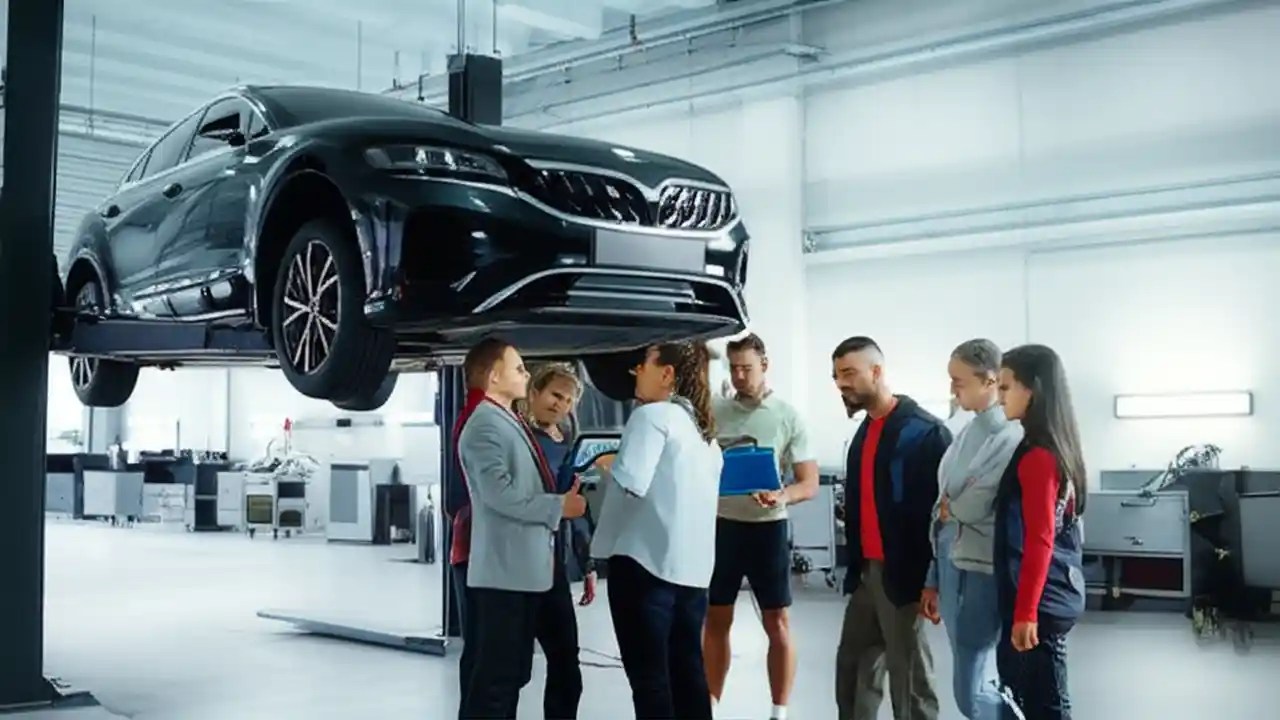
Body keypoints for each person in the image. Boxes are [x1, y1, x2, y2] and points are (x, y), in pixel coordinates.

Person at [455, 338, 588, 720]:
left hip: (527, 571)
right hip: (504, 575)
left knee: (511, 677)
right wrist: (558, 507)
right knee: (496, 686)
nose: (525, 375)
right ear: (494, 376)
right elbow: (500, 495)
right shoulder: (483, 424)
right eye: (518, 369)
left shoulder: (504, 419)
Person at [591, 342, 723, 720]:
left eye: (643, 364)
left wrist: (608, 466)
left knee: (650, 682)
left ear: (667, 374)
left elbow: (632, 484)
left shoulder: (652, 417)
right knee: (688, 675)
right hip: (692, 575)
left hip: (644, 568)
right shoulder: (706, 435)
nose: (635, 371)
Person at [831, 336, 949, 720]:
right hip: (866, 573)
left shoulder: (925, 433)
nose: (841, 384)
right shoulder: (864, 434)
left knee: (910, 680)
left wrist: (934, 578)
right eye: (836, 376)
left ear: (877, 372)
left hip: (905, 577)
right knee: (853, 670)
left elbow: (943, 513)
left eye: (849, 373)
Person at [704, 333, 818, 720]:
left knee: (777, 621)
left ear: (764, 366)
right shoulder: (713, 410)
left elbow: (809, 482)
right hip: (722, 526)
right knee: (717, 618)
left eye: (746, 368)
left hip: (768, 528)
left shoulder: (787, 415)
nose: (739, 376)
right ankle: (711, 705)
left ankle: (779, 710)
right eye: (733, 368)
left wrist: (782, 496)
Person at [918, 340, 1023, 720]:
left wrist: (953, 509)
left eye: (958, 381)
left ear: (990, 381)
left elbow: (977, 502)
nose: (952, 389)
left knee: (971, 688)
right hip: (950, 562)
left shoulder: (1011, 436)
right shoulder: (965, 432)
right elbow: (942, 506)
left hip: (981, 569)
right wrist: (933, 577)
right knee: (973, 673)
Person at [994, 344, 1087, 720]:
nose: (998, 398)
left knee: (1045, 705)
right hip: (1054, 591)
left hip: (1041, 602)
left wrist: (1026, 612)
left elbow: (1040, 539)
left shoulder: (1038, 457)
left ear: (1031, 389)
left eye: (1004, 387)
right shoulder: (1051, 447)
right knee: (1036, 699)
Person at [521, 362, 599, 605]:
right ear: (535, 393)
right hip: (522, 555)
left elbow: (578, 508)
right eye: (555, 395)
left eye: (567, 400)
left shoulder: (569, 444)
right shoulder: (519, 439)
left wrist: (588, 564)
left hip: (559, 557)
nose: (560, 404)